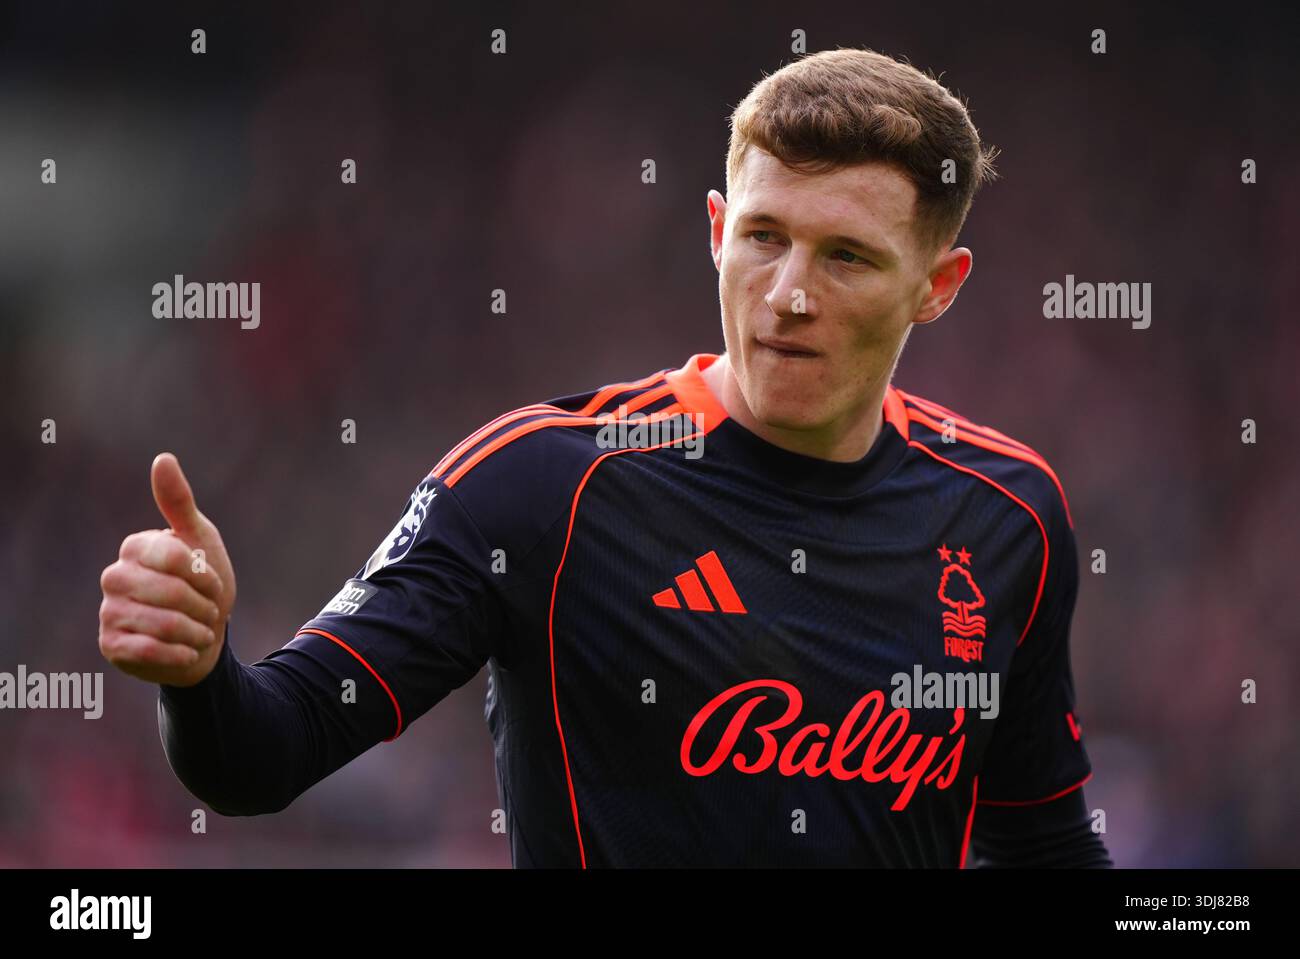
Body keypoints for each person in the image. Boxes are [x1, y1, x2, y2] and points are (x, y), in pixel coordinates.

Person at [98, 47, 1111, 867]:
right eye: (763, 237)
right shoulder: (540, 481)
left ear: (937, 285)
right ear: (716, 232)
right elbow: (266, 752)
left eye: (844, 256)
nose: (788, 292)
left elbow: (1043, 842)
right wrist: (199, 671)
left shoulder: (1006, 514)